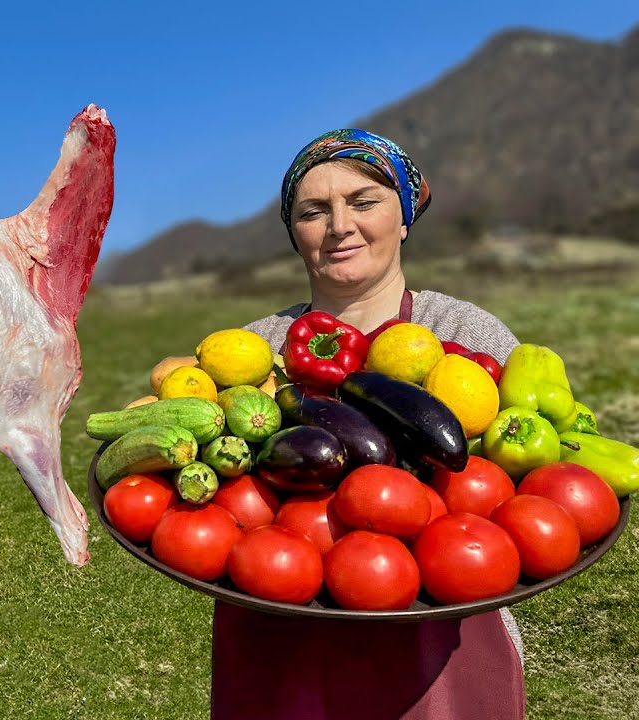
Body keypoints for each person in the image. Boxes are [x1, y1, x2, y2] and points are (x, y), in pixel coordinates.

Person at [213, 129, 525, 719]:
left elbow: (524, 484)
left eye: (364, 201)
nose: (339, 226)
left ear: (404, 217)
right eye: (313, 211)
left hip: (441, 625)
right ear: (294, 234)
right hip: (277, 618)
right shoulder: (254, 347)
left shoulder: (466, 330)